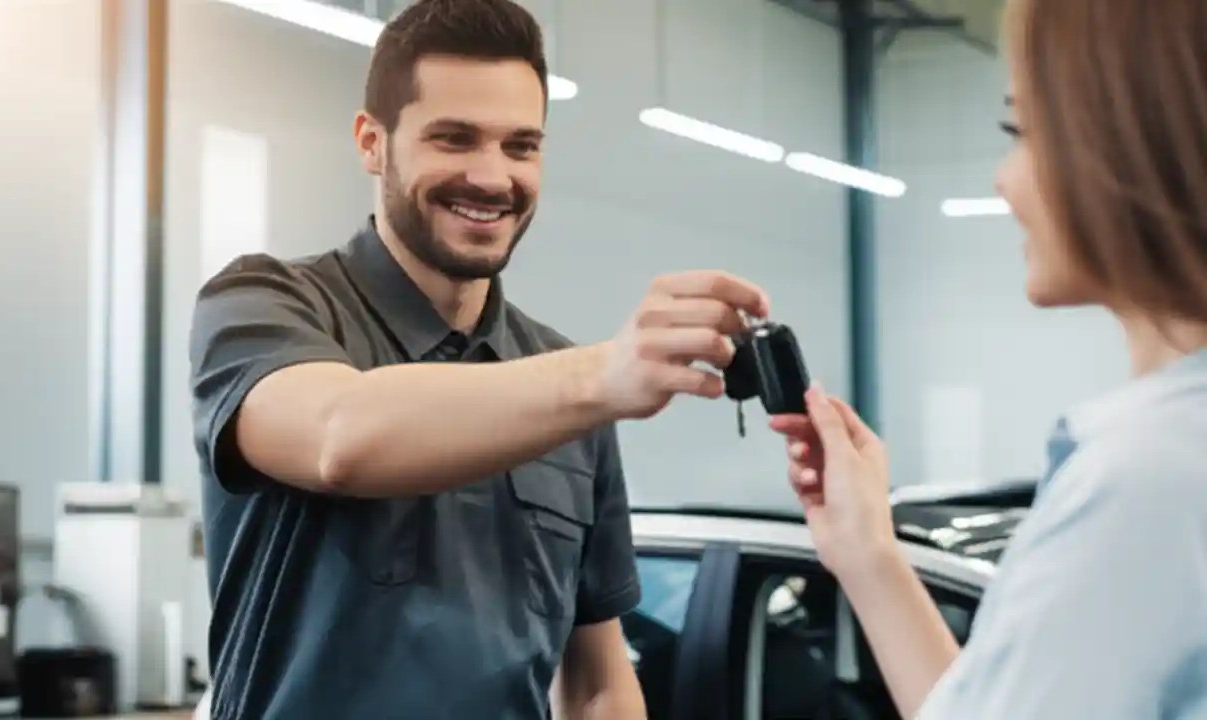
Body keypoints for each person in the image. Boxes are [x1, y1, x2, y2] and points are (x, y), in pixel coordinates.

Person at [188, 0, 770, 718]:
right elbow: (341, 437)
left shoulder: (565, 384)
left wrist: (594, 382)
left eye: (521, 146)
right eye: (455, 139)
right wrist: (602, 375)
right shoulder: (264, 303)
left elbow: (596, 683)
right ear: (373, 142)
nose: (494, 178)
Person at [773, 0, 1207, 717]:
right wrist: (867, 552)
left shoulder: (1148, 475)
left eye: (1022, 131)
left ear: (1132, 140)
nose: (1004, 179)